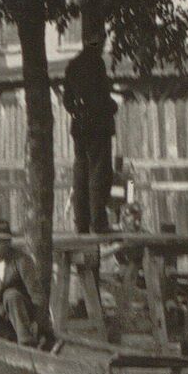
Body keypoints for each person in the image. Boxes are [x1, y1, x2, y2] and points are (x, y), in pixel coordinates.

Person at [59, 31, 120, 237]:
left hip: (80, 127)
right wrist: (112, 106)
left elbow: (67, 101)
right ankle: (98, 221)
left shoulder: (72, 65)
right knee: (99, 173)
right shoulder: (96, 64)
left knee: (81, 173)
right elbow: (100, 98)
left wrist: (77, 112)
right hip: (97, 127)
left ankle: (81, 223)